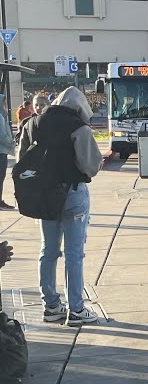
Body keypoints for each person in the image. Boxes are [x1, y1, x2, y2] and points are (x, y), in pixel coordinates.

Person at [16, 87, 101, 326]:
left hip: (43, 195)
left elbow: (22, 159)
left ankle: (51, 305)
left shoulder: (32, 124)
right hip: (72, 193)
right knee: (74, 254)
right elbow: (90, 166)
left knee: (48, 251)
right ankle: (76, 309)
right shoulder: (78, 127)